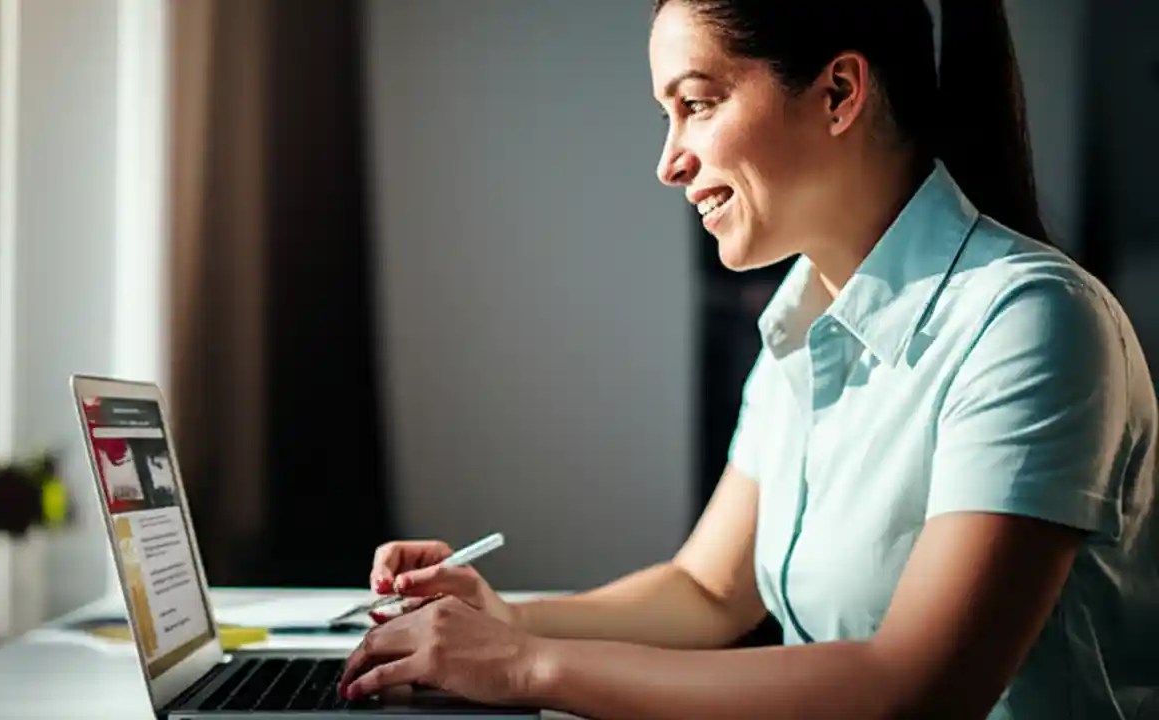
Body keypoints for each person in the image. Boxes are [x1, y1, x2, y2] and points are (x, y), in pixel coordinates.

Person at [338, 1, 1159, 717]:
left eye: (696, 104)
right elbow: (706, 592)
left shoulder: (1030, 324)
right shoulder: (803, 318)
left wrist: (525, 667)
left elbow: (911, 690)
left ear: (839, 93)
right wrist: (508, 620)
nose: (669, 162)